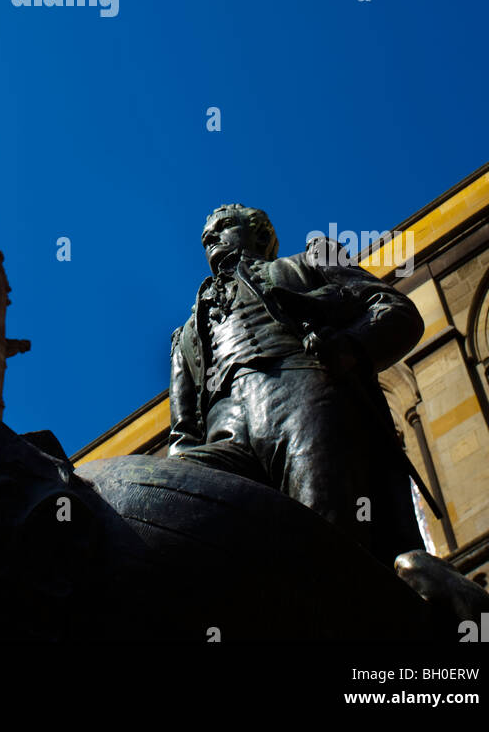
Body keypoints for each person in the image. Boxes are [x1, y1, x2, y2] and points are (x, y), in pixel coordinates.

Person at [169, 203, 425, 565]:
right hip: (223, 433)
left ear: (258, 233)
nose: (211, 237)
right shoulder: (185, 336)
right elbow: (183, 434)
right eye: (206, 235)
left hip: (304, 396)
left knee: (325, 534)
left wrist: (349, 348)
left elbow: (393, 309)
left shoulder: (308, 262)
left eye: (224, 226)